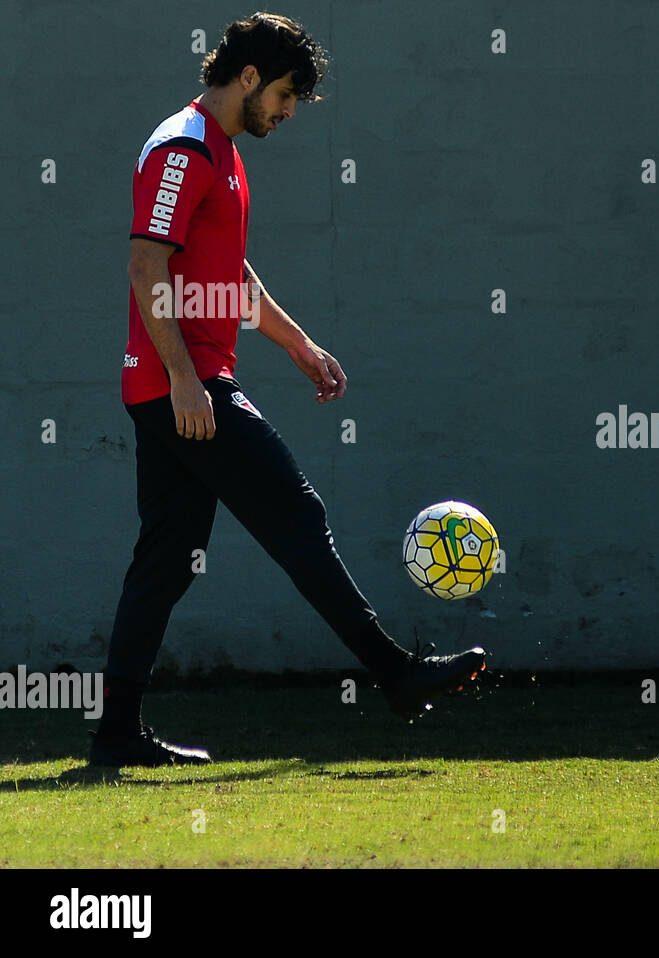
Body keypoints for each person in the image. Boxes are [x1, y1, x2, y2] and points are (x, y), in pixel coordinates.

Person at [92, 12, 486, 768]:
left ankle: (114, 736)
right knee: (295, 510)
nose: (289, 111)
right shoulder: (183, 146)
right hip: (184, 388)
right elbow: (147, 267)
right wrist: (183, 380)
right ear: (247, 76)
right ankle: (395, 673)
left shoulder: (224, 151)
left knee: (167, 562)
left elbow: (228, 276)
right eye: (284, 93)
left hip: (187, 384)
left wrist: (298, 344)